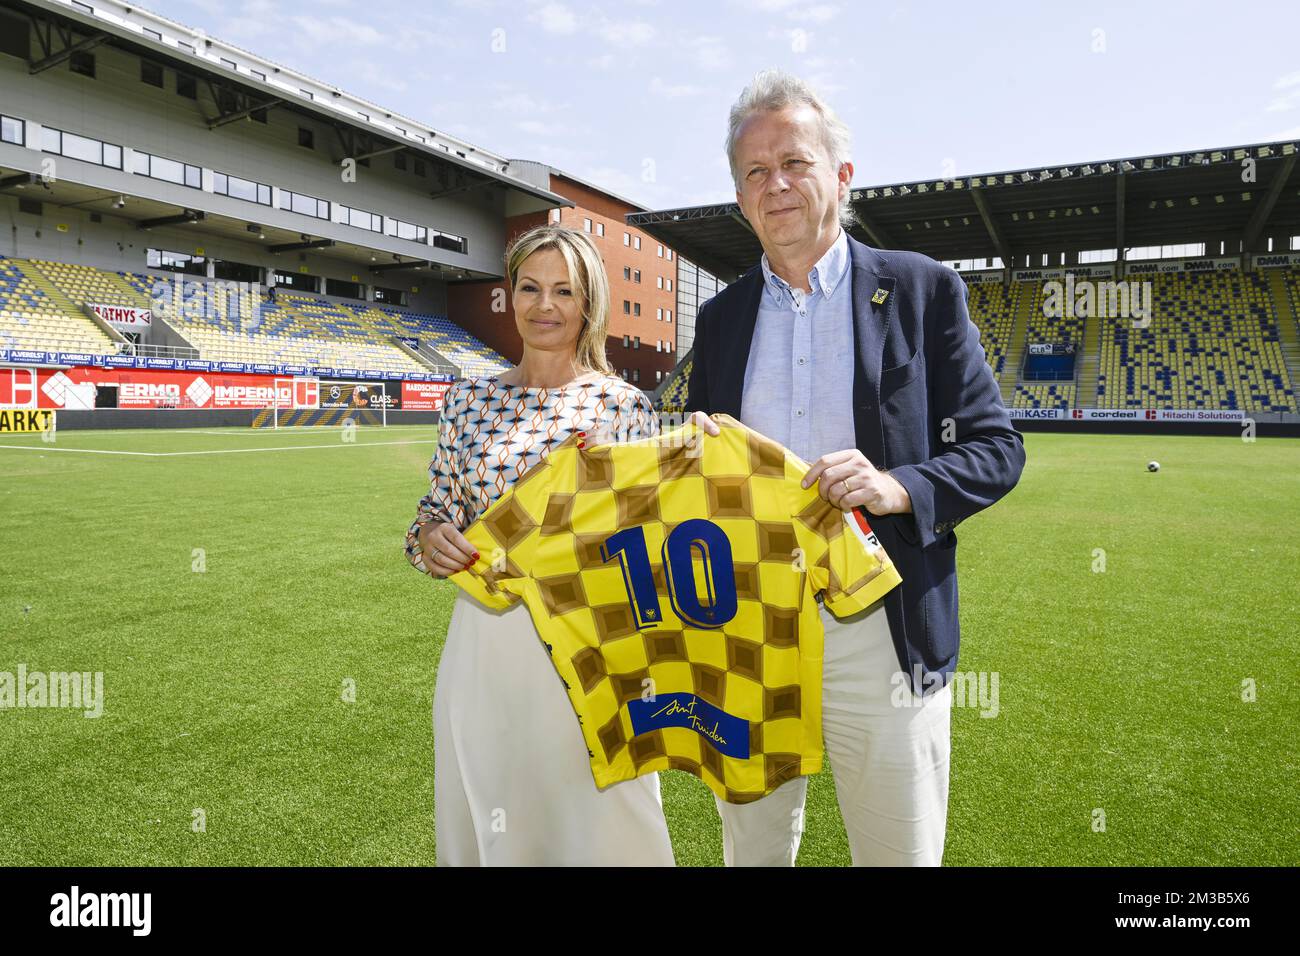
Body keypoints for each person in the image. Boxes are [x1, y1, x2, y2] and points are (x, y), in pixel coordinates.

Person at [685, 70, 1026, 866]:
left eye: (795, 163)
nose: (776, 187)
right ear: (740, 199)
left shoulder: (921, 290)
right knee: (754, 853)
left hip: (884, 625)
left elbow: (995, 447)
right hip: (749, 627)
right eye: (755, 173)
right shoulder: (720, 317)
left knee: (898, 852)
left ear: (841, 175)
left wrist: (898, 485)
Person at [405, 224, 674, 866]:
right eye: (530, 287)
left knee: (606, 824)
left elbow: (648, 538)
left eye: (564, 291)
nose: (544, 305)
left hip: (591, 644)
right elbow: (436, 509)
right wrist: (430, 539)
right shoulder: (466, 401)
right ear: (510, 297)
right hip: (484, 647)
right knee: (498, 823)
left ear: (589, 305)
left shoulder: (623, 408)